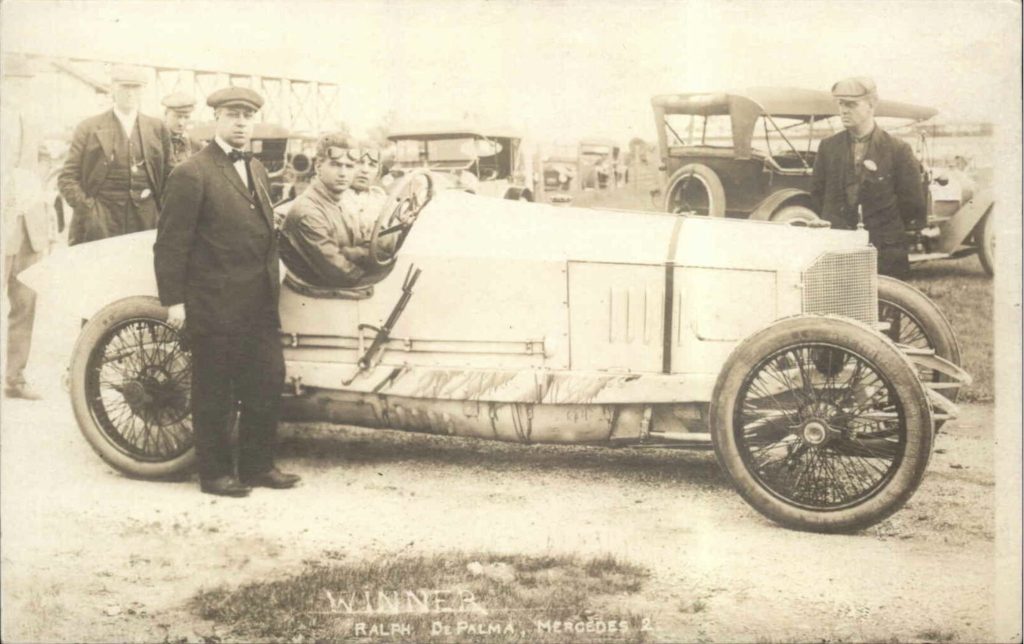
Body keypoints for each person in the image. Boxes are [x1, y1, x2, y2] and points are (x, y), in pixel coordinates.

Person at [154, 87, 299, 497]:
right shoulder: (192, 172)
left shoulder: (256, 169)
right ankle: (215, 474)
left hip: (258, 301)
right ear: (215, 118)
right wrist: (175, 302)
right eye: (233, 114)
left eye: (247, 116)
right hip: (214, 302)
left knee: (266, 380)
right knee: (215, 390)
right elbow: (170, 243)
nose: (240, 122)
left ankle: (257, 467)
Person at [810, 76, 926, 279]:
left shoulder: (898, 149)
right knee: (836, 306)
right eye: (840, 104)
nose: (843, 110)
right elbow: (817, 195)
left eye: (851, 104)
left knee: (883, 309)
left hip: (884, 254)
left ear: (871, 105)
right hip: (838, 251)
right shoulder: (828, 147)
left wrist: (886, 231)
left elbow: (913, 204)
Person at [58, 65, 171, 245]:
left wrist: (161, 211)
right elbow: (67, 177)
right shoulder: (89, 128)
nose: (130, 93)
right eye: (124, 87)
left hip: (147, 219)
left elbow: (170, 176)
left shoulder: (157, 128)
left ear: (142, 91)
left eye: (136, 88)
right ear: (113, 89)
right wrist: (88, 211)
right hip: (102, 218)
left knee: (142, 270)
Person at [1, 55, 54, 400]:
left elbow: (47, 156)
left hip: (29, 227)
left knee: (25, 302)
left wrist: (35, 182)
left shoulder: (32, 120)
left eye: (26, 82)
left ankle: (15, 378)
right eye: (14, 81)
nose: (20, 88)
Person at [279, 135, 391, 288]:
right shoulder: (308, 212)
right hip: (322, 298)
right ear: (318, 167)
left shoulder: (338, 202)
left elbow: (363, 245)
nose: (343, 173)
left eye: (350, 166)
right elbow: (344, 274)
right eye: (335, 165)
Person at [161, 92, 201, 168]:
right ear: (165, 115)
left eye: (186, 117)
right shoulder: (155, 142)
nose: (181, 123)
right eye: (177, 117)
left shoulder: (195, 145)